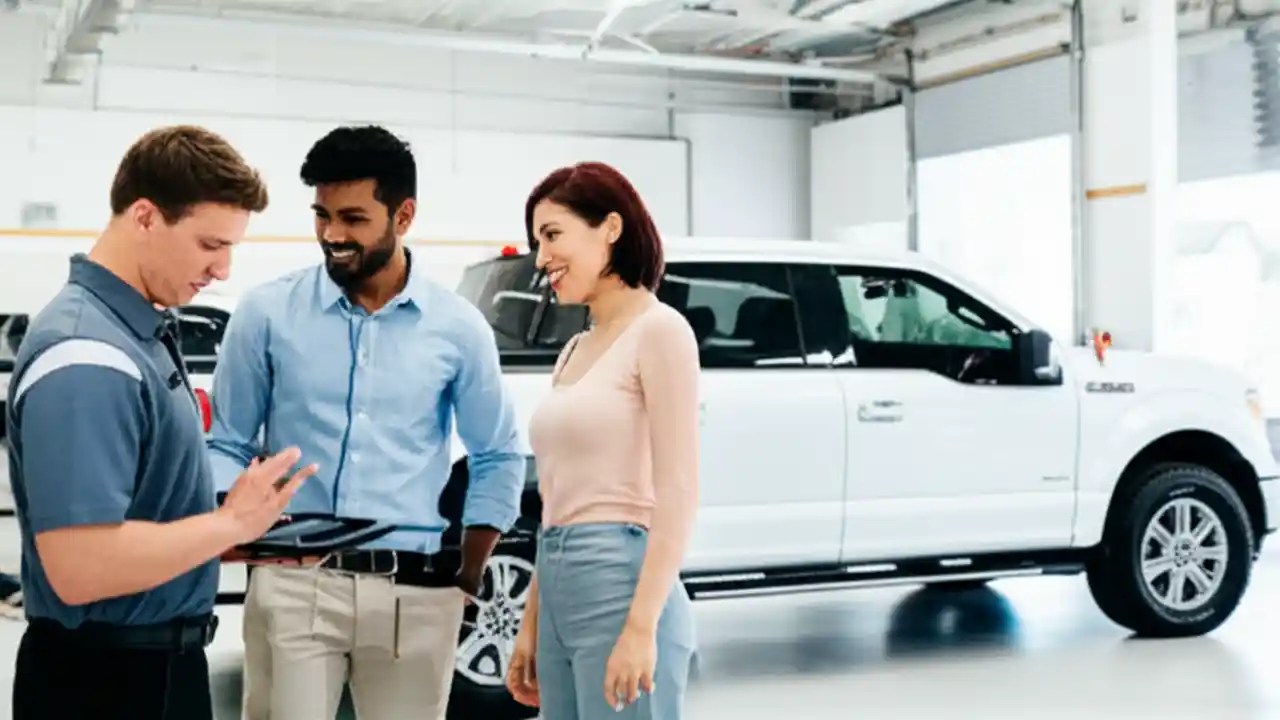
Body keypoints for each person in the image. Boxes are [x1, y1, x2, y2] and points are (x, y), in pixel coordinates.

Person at [206, 124, 526, 720]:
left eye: (353, 218)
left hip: (417, 592)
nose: (332, 235)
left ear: (403, 216)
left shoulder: (457, 329)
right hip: (294, 583)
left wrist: (468, 574)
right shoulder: (266, 314)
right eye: (322, 215)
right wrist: (232, 527)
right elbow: (227, 441)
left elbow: (498, 453)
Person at [3, 124, 317, 720]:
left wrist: (241, 538)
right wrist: (227, 523)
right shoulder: (86, 353)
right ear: (144, 217)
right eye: (209, 245)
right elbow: (81, 567)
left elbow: (139, 519)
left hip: (151, 669)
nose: (222, 270)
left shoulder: (136, 331)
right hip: (106, 684)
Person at [506, 161, 701, 719]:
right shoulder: (575, 350)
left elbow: (680, 491)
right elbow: (556, 500)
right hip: (558, 573)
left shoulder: (660, 332)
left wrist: (641, 628)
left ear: (610, 228)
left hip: (622, 579)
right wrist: (531, 623)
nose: (541, 258)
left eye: (552, 235)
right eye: (536, 241)